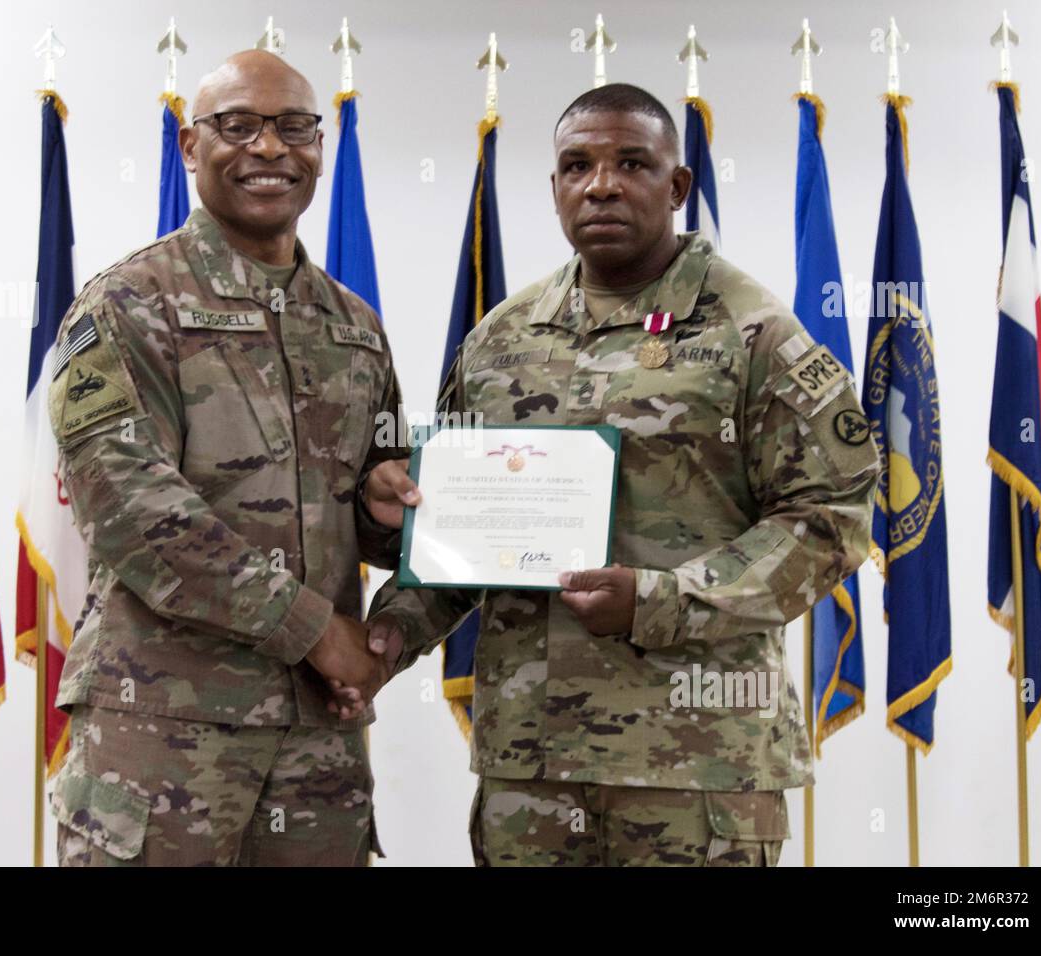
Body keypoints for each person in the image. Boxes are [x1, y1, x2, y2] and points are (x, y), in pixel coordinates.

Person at [358, 83, 881, 866]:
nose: (600, 183)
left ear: (677, 187)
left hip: (696, 768)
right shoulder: (501, 340)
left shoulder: (753, 331)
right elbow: (461, 536)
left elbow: (830, 518)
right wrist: (382, 638)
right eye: (577, 166)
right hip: (529, 767)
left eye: (631, 162)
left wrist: (662, 600)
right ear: (555, 189)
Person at [46, 49, 409, 866]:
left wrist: (387, 515)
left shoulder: (354, 325)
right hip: (162, 736)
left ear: (322, 144)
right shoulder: (127, 305)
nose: (270, 149)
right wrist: (318, 631)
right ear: (187, 145)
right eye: (237, 126)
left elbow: (382, 497)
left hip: (319, 742)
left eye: (294, 128)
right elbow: (133, 517)